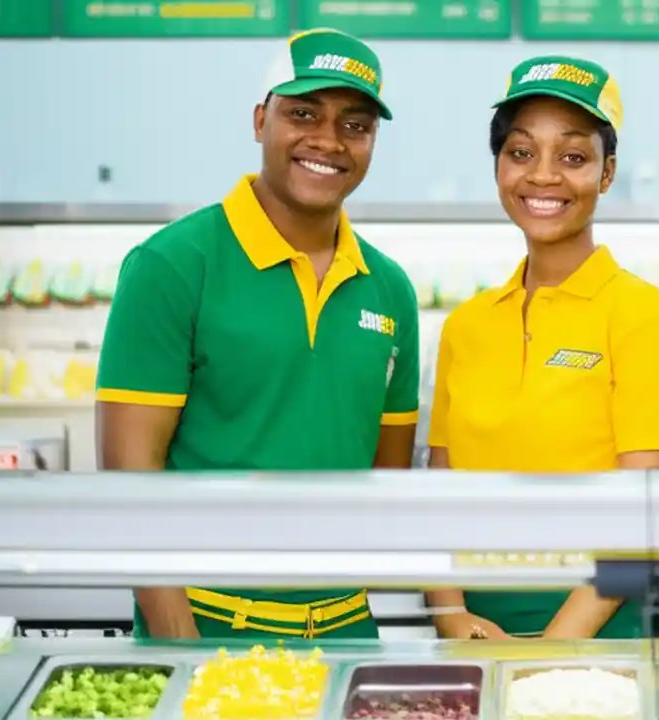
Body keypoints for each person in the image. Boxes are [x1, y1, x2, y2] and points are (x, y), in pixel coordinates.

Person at [95, 28, 419, 640]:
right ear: (259, 120)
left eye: (355, 124)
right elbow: (130, 484)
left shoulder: (390, 288)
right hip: (207, 624)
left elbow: (386, 487)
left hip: (348, 629)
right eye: (302, 113)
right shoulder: (173, 264)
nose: (328, 140)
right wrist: (181, 652)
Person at [423, 55, 659, 640]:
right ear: (498, 165)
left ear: (607, 172)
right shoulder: (465, 326)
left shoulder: (642, 313)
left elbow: (645, 511)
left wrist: (555, 644)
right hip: (475, 629)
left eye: (572, 157)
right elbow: (437, 498)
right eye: (521, 152)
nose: (543, 176)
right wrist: (451, 615)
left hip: (601, 631)